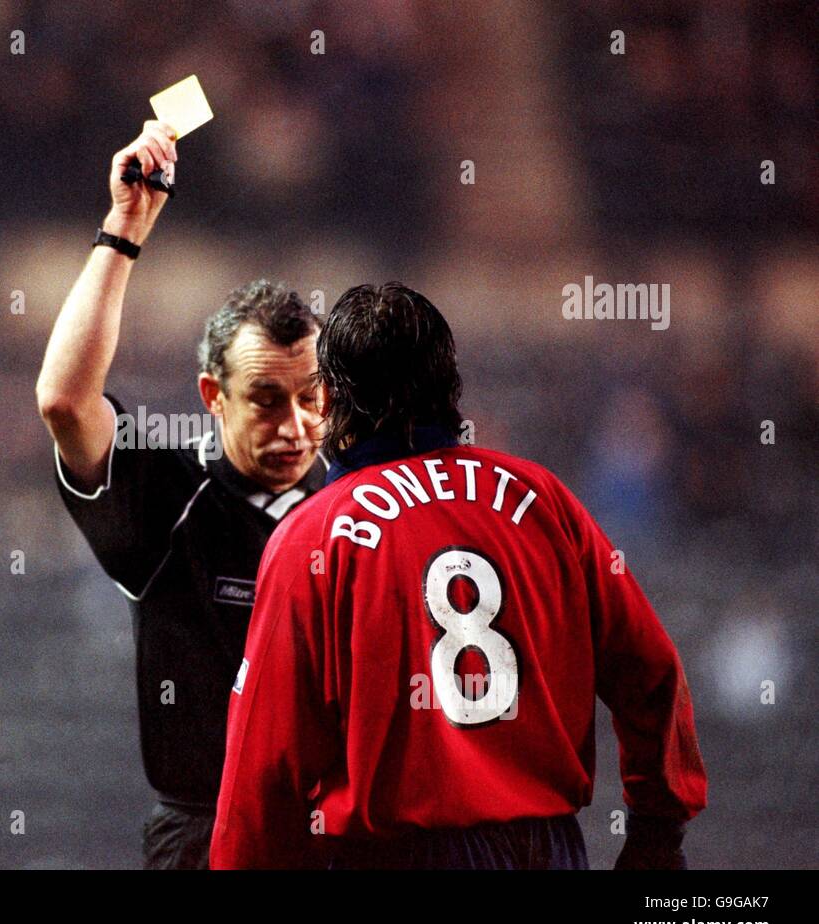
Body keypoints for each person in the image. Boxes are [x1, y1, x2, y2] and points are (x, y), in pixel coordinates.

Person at [210, 282, 707, 869]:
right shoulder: (541, 500)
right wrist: (657, 829)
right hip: (547, 849)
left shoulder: (315, 535)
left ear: (329, 398)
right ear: (450, 386)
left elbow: (265, 762)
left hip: (396, 855)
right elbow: (651, 670)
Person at [37, 122, 327, 868]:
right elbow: (67, 401)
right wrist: (124, 230)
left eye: (312, 398)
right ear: (213, 397)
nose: (295, 426)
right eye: (266, 400)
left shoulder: (359, 508)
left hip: (339, 834)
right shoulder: (171, 494)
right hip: (202, 833)